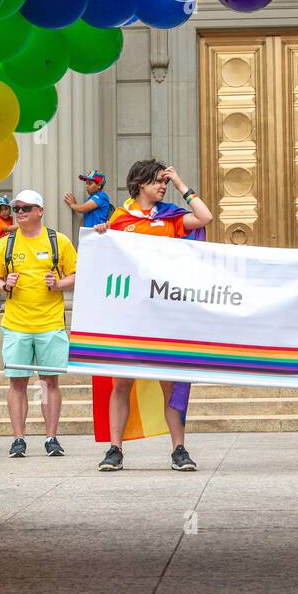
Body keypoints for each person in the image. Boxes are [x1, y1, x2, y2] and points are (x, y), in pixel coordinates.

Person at [94, 159, 214, 472]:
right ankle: (114, 449)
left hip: (165, 314)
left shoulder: (170, 218)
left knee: (170, 383)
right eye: (157, 181)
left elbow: (205, 217)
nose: (162, 186)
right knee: (122, 383)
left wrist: (181, 186)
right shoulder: (119, 219)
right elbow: (104, 258)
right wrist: (101, 234)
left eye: (164, 181)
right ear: (139, 184)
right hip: (130, 314)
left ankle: (179, 449)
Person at [0, 190, 77, 459]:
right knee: (17, 383)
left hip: (49, 323)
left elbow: (76, 274)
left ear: (40, 211)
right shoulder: (6, 244)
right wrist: (4, 284)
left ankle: (51, 438)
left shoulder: (58, 241)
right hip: (16, 324)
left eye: (26, 208)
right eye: (16, 208)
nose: (20, 212)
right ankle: (18, 439)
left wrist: (58, 284)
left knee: (49, 382)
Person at [64, 169, 112, 235]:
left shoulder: (102, 196)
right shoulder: (90, 198)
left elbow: (82, 209)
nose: (87, 186)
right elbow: (84, 218)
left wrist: (72, 204)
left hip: (98, 234)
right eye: (86, 183)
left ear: (99, 185)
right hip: (89, 236)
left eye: (90, 183)